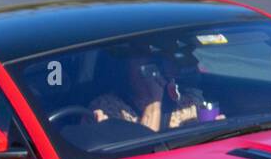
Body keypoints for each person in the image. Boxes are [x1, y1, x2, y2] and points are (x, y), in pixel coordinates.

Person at [88, 53, 220, 131]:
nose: (149, 71)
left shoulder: (188, 100)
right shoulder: (107, 107)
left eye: (155, 62)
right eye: (142, 62)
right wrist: (154, 102)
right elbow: (141, 152)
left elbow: (202, 141)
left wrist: (216, 129)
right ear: (124, 69)